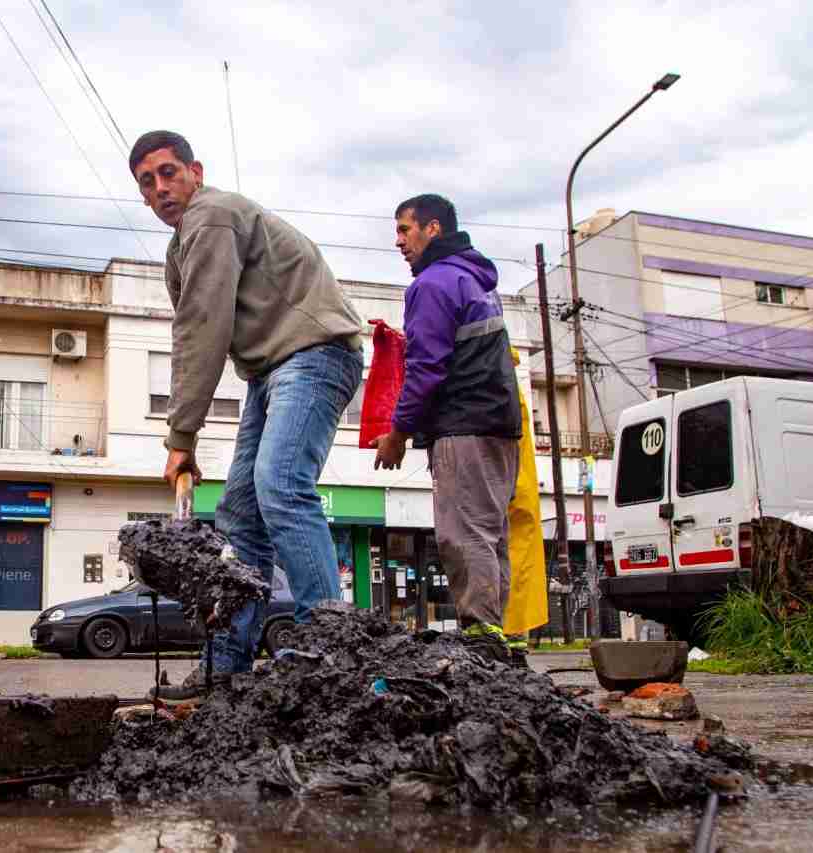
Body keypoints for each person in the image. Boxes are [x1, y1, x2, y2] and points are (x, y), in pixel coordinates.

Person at [129, 130, 364, 706]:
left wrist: (181, 436)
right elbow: (202, 326)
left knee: (280, 485)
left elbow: (202, 328)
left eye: (168, 172)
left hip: (313, 354)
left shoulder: (211, 216)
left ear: (195, 171)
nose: (160, 188)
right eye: (146, 182)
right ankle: (226, 666)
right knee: (241, 515)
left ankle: (328, 646)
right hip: (269, 372)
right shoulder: (184, 241)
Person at [370, 194, 522, 664]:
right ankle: (500, 635)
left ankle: (482, 638)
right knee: (490, 533)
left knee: (463, 532)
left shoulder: (433, 284)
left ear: (432, 229)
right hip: (500, 425)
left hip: (463, 426)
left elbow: (426, 369)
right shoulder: (477, 282)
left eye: (404, 230)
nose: (398, 241)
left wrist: (398, 432)